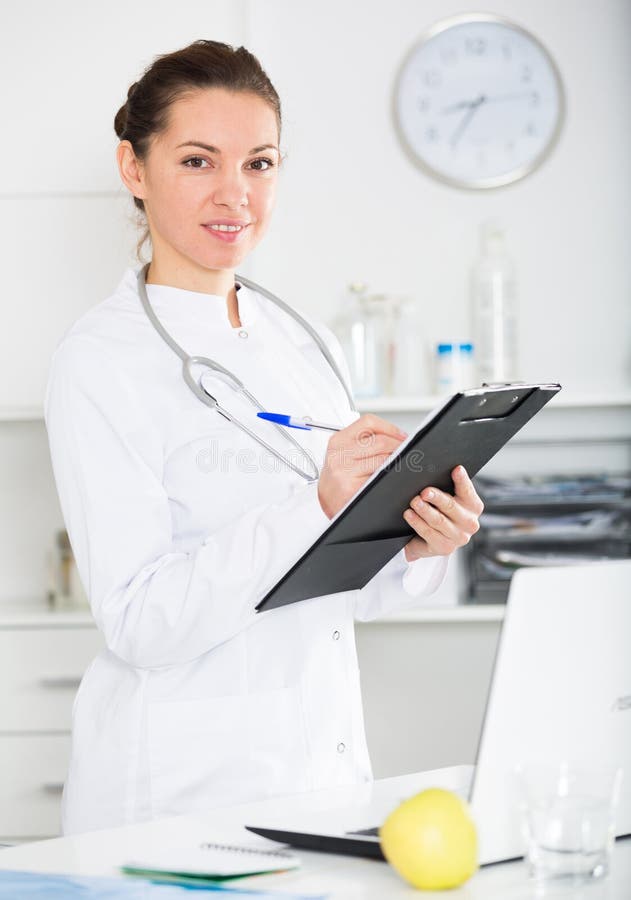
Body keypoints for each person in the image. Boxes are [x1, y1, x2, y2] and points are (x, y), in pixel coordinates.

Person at [44, 39, 484, 835]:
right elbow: (139, 621)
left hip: (320, 771)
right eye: (197, 161)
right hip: (178, 793)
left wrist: (417, 545)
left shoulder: (305, 340)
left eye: (260, 163)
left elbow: (342, 589)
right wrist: (313, 506)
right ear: (133, 169)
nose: (235, 194)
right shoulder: (99, 361)